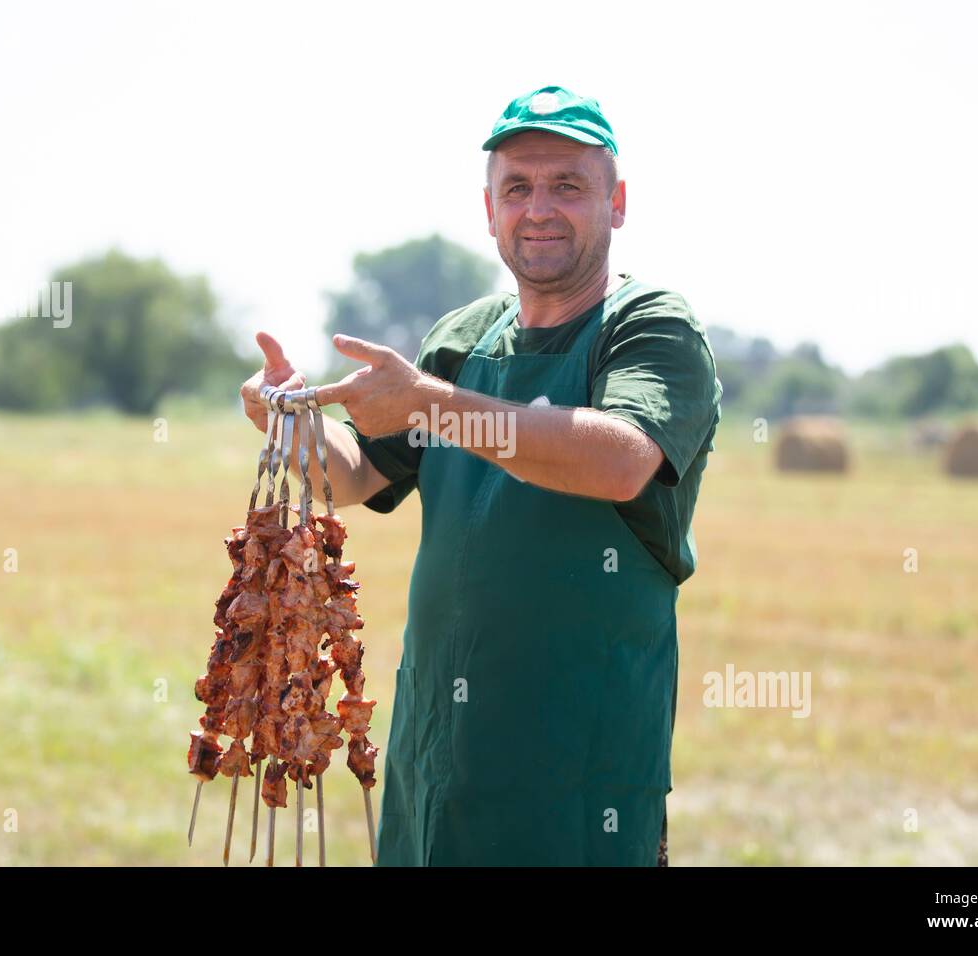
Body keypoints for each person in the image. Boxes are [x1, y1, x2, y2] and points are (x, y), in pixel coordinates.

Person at [240, 84, 722, 865]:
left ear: (617, 202)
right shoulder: (460, 339)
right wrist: (291, 425)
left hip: (579, 767)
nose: (539, 207)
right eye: (517, 188)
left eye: (568, 185)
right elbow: (361, 474)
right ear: (489, 209)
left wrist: (430, 402)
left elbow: (621, 458)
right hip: (438, 750)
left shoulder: (650, 326)